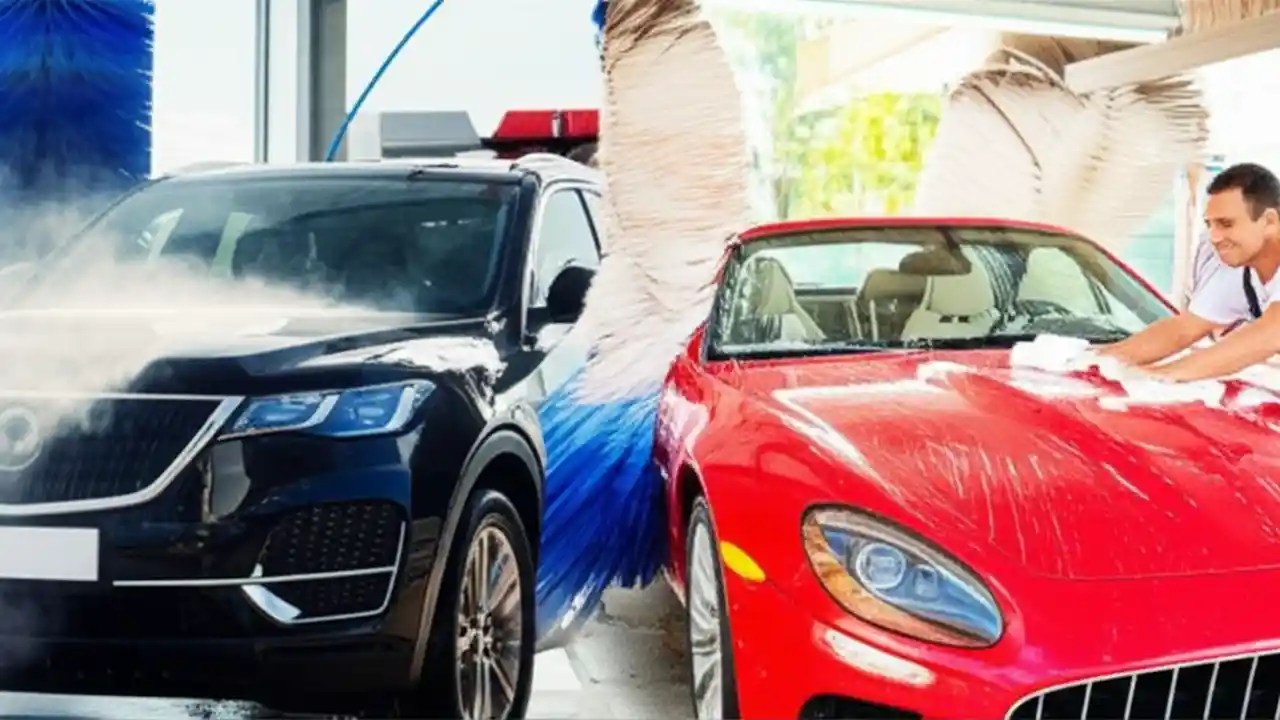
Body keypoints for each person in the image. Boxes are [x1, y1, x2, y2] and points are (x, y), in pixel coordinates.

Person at [1097, 162, 1280, 381]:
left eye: (1226, 224)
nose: (1214, 237)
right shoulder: (1239, 268)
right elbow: (1184, 329)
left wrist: (1157, 377)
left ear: (1269, 222)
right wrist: (1095, 362)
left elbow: (1270, 334)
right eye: (1209, 225)